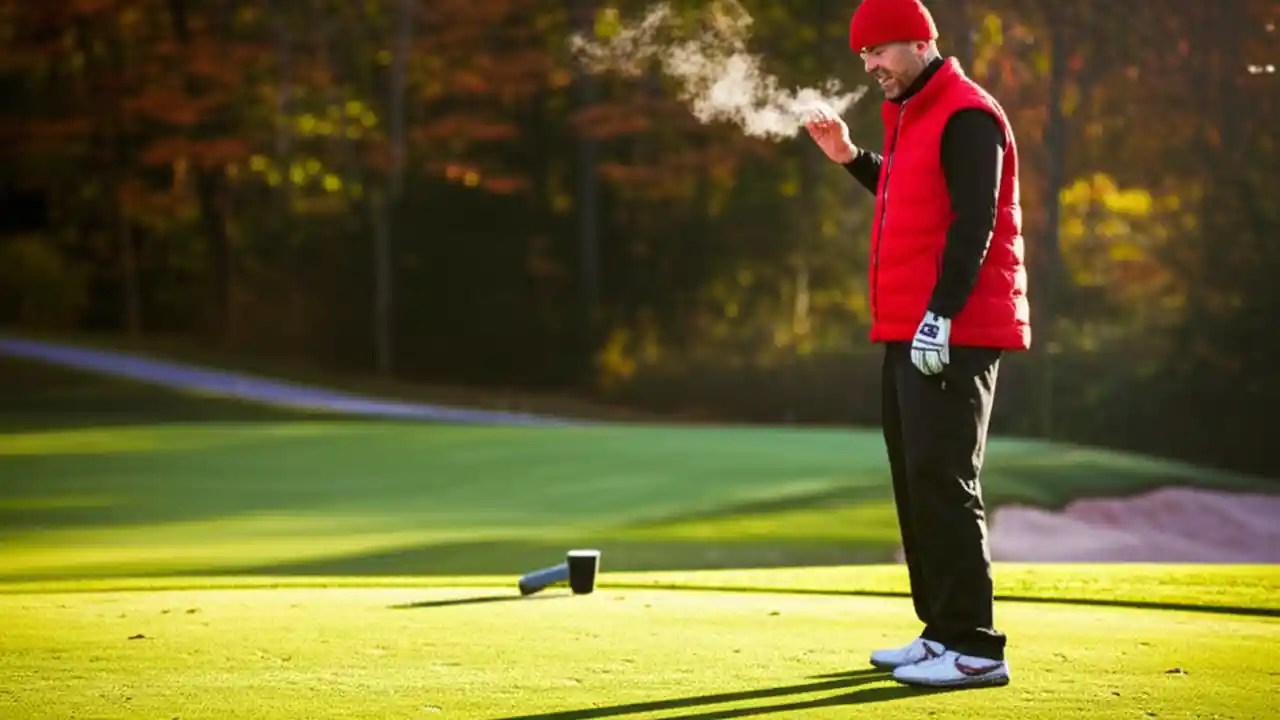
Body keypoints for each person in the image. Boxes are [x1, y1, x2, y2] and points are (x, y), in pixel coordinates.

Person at [804, 0, 1030, 689]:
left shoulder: (966, 112)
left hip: (952, 330)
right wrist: (849, 157)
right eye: (862, 57)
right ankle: (940, 632)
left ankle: (976, 648)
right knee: (915, 480)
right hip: (911, 328)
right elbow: (907, 196)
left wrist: (940, 315)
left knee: (946, 481)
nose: (869, 67)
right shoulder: (911, 115)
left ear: (918, 41)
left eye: (877, 52)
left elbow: (976, 224)